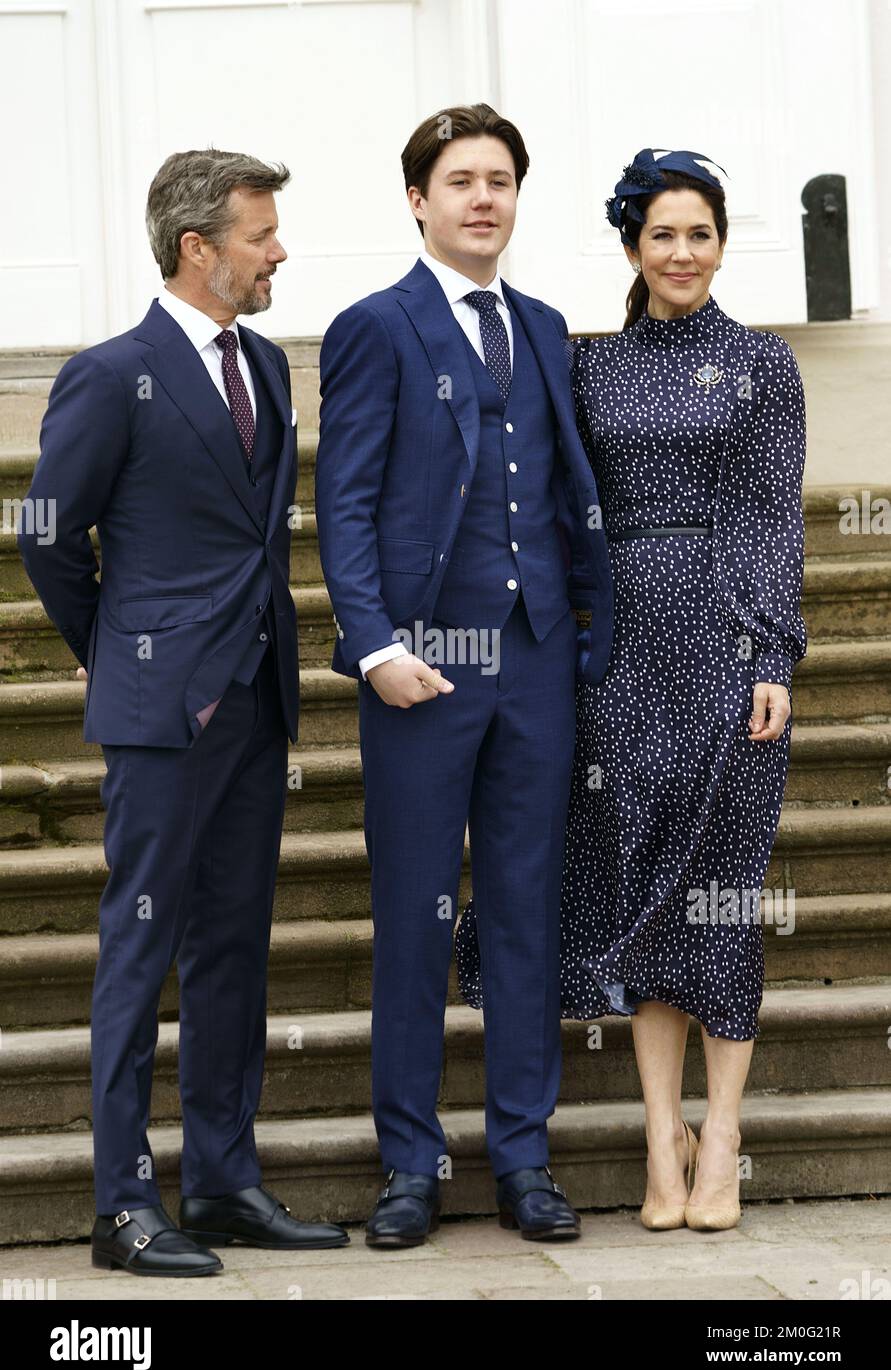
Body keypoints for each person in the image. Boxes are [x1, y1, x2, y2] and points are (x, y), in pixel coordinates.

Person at [456, 148, 807, 1233]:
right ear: (631, 246)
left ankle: (726, 1135)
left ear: (720, 244)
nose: (682, 252)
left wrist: (772, 657)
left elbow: (771, 516)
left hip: (725, 641)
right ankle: (664, 1137)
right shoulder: (588, 365)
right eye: (663, 234)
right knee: (640, 897)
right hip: (618, 655)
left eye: (699, 233)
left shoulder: (761, 365)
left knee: (722, 895)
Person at [17, 148, 349, 1274]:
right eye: (262, 235)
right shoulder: (112, 374)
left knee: (232, 951)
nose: (280, 253)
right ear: (198, 247)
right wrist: (115, 654)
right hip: (163, 708)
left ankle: (219, 1183)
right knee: (138, 950)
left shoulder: (267, 363)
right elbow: (49, 535)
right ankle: (121, 1206)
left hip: (256, 699)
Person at [315, 104, 613, 1247]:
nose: (483, 197)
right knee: (413, 919)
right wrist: (376, 645)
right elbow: (344, 499)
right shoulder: (374, 326)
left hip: (535, 664)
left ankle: (526, 1160)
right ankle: (409, 1162)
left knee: (529, 913)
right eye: (460, 181)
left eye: (499, 180)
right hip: (421, 672)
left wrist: (587, 632)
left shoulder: (543, 325)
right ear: (418, 201)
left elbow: (553, 490)